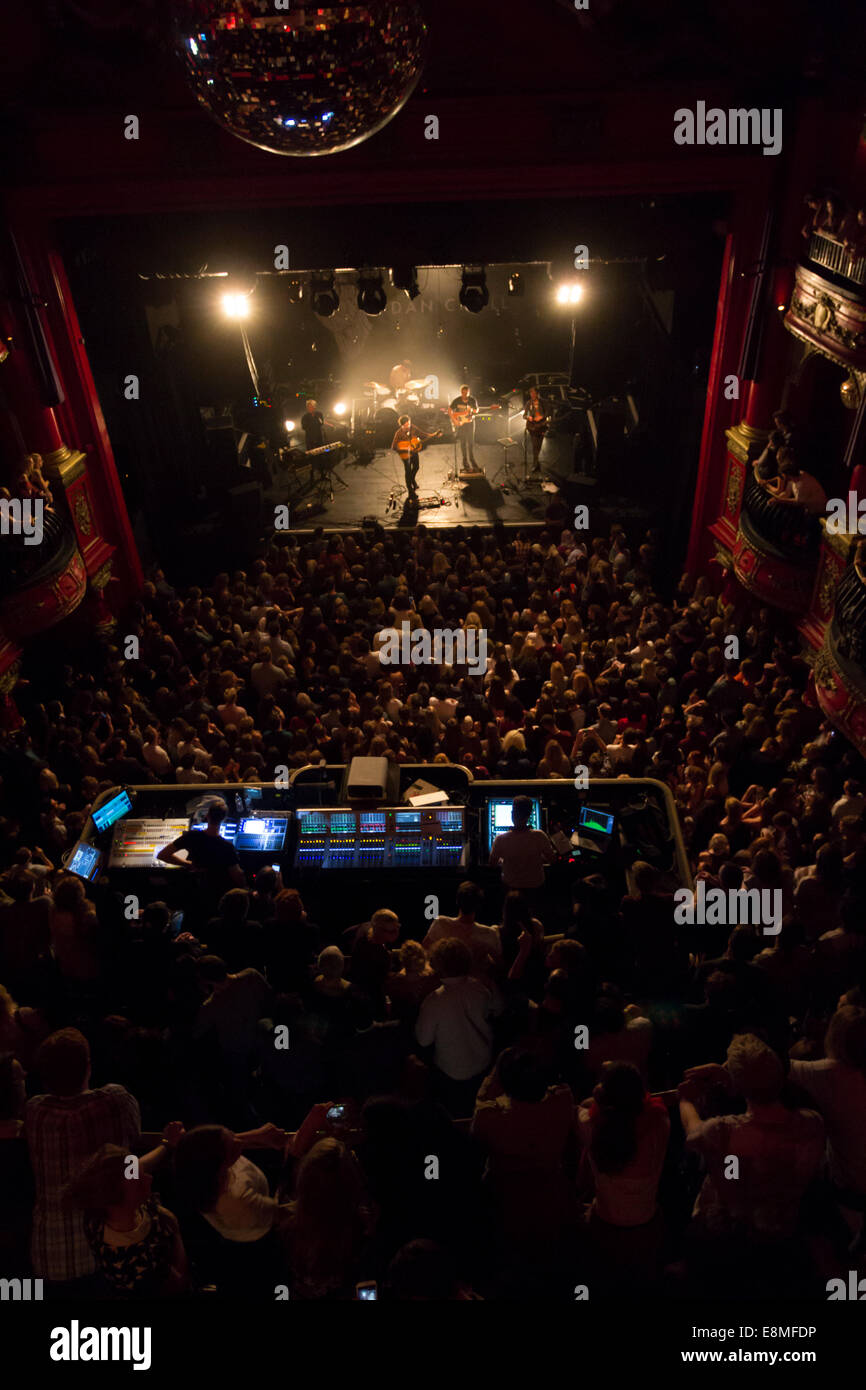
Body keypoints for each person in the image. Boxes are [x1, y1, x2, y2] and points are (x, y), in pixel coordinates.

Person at [25, 1028, 143, 1290]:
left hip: (49, 1256)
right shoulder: (115, 1100)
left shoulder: (35, 1111)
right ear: (88, 1067)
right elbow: (132, 1143)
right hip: (109, 1250)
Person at [67, 1140, 188, 1297]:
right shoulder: (138, 1261)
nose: (149, 1178)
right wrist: (175, 1230)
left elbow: (132, 1169)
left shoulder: (96, 1214)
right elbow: (179, 1281)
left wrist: (167, 1143)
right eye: (139, 1182)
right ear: (116, 1199)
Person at [415, 937, 496, 1114]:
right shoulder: (480, 989)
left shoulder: (433, 1001)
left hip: (449, 1071)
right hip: (483, 1063)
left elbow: (423, 1040)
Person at [157, 798, 245, 926]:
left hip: (192, 897)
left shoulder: (191, 836)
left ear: (207, 816)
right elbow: (237, 875)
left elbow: (163, 855)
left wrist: (187, 864)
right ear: (223, 819)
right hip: (215, 900)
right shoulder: (227, 847)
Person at [489, 794, 556, 893]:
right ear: (529, 815)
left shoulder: (500, 839)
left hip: (511, 888)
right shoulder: (540, 836)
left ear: (512, 814)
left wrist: (503, 861)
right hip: (536, 888)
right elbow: (553, 861)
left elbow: (492, 865)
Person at [391, 414, 437, 496]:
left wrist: (433, 435)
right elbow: (393, 446)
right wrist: (405, 449)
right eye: (406, 425)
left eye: (409, 423)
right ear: (402, 425)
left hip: (414, 451)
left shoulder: (413, 428)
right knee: (408, 470)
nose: (408, 426)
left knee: (416, 467)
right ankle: (410, 488)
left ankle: (412, 480)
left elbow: (423, 434)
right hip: (405, 454)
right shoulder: (398, 433)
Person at [449, 385, 479, 470]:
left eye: (467, 393)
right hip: (461, 424)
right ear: (461, 392)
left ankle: (472, 459)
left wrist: (474, 410)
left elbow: (477, 409)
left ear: (469, 393)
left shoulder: (472, 400)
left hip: (470, 423)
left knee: (470, 442)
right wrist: (454, 420)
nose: (465, 395)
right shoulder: (457, 400)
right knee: (463, 442)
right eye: (463, 393)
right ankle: (465, 460)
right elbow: (449, 410)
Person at [522, 387, 548, 471]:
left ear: (537, 394)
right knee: (535, 446)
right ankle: (535, 464)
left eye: (533, 393)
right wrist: (528, 417)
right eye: (531, 393)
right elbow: (524, 415)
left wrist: (542, 416)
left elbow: (548, 412)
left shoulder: (543, 402)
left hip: (541, 426)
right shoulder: (528, 403)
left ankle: (536, 462)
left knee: (539, 446)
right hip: (532, 427)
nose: (532, 395)